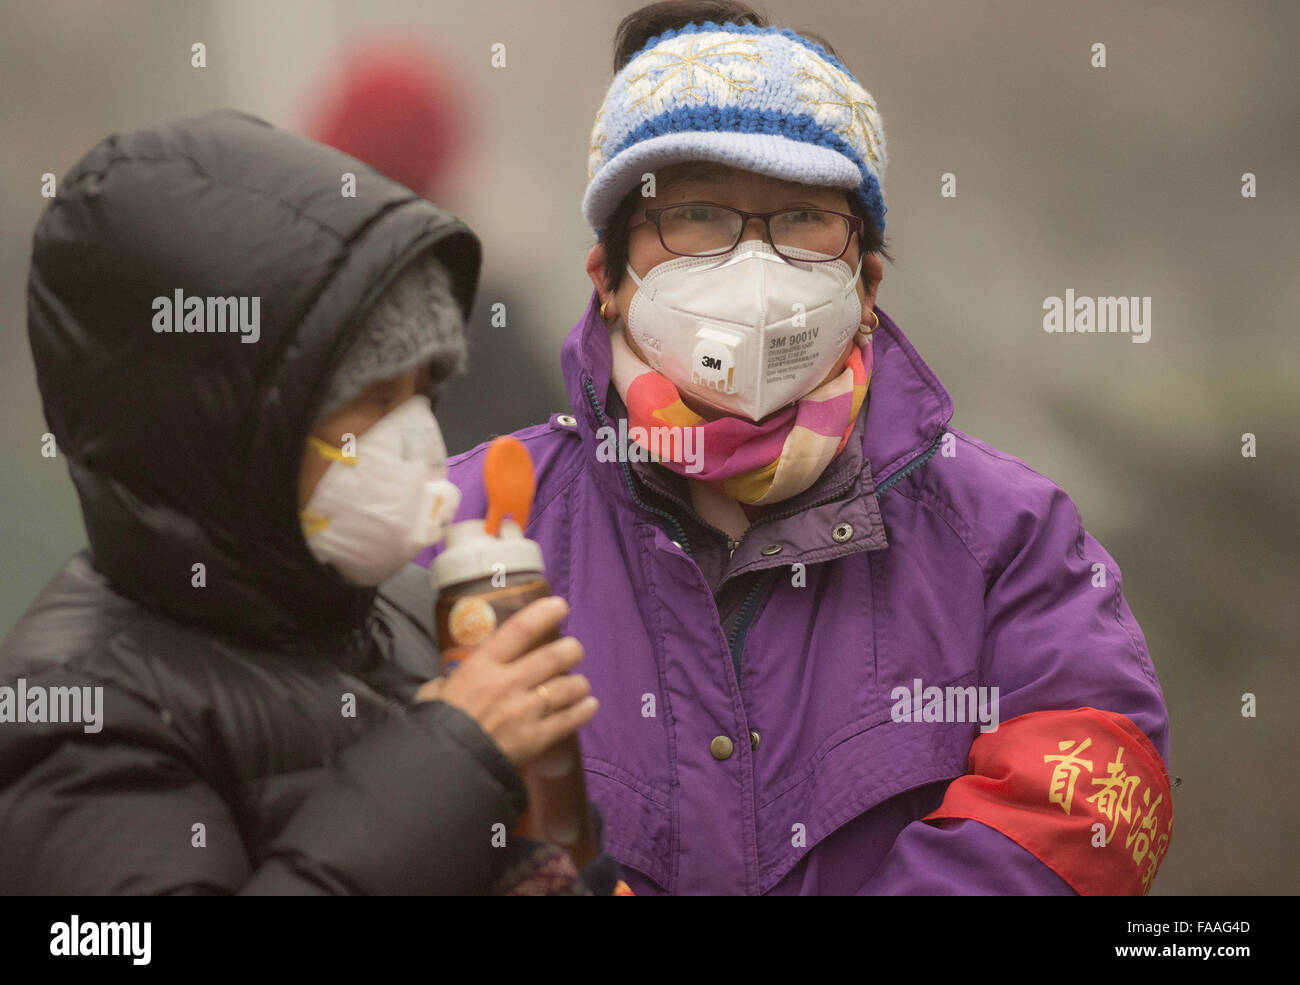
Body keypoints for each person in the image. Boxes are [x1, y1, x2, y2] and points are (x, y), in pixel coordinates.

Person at [419, 1, 1174, 895]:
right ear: (609, 277)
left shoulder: (1010, 539)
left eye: (802, 216)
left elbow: (1087, 803)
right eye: (695, 212)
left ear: (867, 281)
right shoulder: (465, 533)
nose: (754, 266)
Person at [0, 109, 615, 895]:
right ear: (212, 425)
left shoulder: (396, 607)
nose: (417, 437)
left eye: (425, 389)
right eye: (369, 398)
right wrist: (457, 756)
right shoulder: (74, 714)